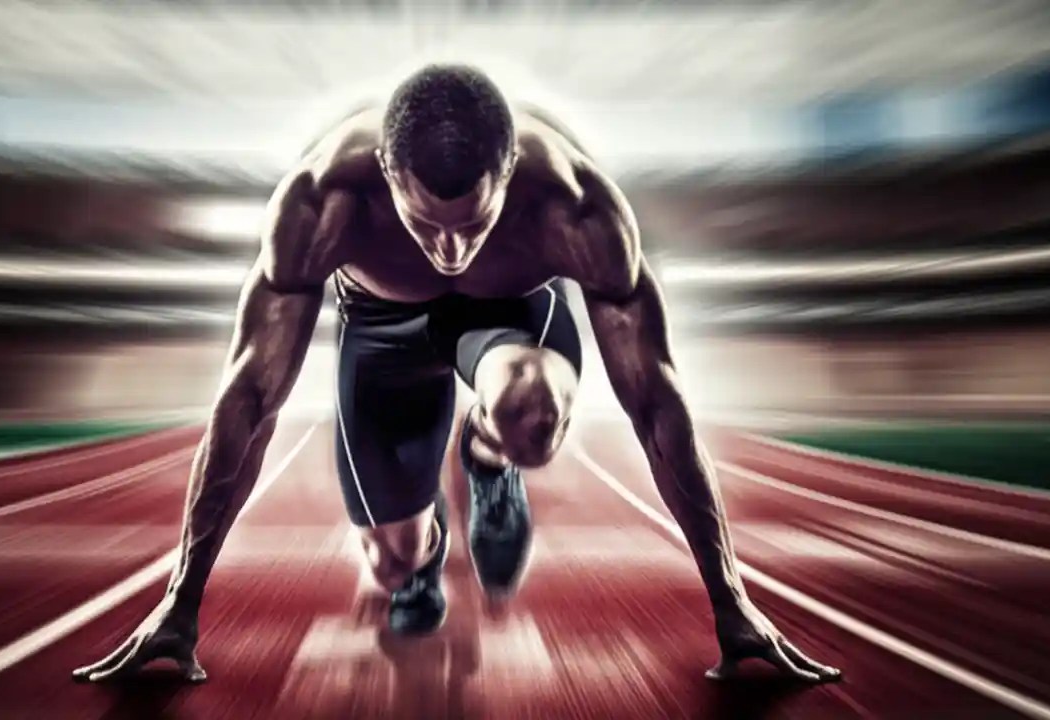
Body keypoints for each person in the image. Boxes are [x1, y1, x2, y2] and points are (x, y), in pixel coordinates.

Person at [72, 64, 842, 685]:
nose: (447, 252)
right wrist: (181, 601)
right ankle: (429, 545)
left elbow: (654, 404)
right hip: (381, 329)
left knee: (532, 410)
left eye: (471, 225)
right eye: (422, 225)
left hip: (505, 319)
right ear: (384, 172)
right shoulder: (321, 203)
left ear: (509, 173)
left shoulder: (575, 209)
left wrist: (731, 600)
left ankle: (489, 455)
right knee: (393, 561)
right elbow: (250, 400)